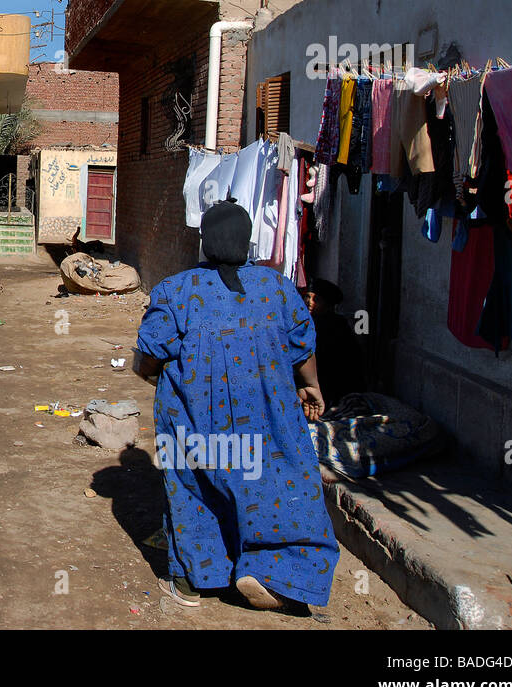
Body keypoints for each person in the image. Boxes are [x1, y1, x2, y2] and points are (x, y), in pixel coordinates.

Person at [133, 200, 338, 612]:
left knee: (194, 483)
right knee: (276, 480)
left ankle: (194, 581)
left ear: (205, 242)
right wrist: (311, 386)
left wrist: (150, 374)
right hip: (267, 411)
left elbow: (149, 356)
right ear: (247, 241)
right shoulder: (277, 287)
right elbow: (302, 346)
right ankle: (271, 571)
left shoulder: (176, 290)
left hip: (195, 414)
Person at [301, 278, 367, 409]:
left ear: (328, 305)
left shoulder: (334, 327)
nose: (309, 302)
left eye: (316, 300)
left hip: (332, 389)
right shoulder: (307, 323)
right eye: (307, 297)